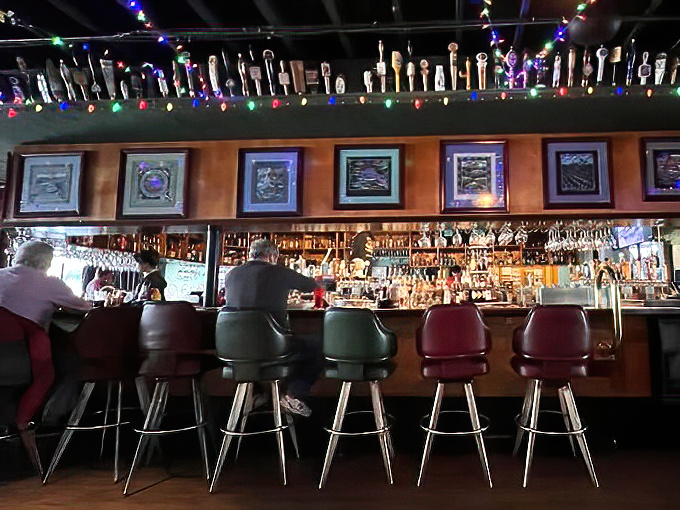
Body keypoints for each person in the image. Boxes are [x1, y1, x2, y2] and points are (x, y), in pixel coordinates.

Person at [0, 241, 90, 431]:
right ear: (46, 262)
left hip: (10, 354)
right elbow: (84, 308)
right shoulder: (49, 283)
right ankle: (41, 423)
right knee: (70, 365)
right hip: (20, 356)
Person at [223, 238, 319, 417]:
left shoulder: (231, 274)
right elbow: (310, 285)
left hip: (234, 349)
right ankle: (293, 395)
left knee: (252, 355)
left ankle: (256, 393)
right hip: (272, 347)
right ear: (273, 256)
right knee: (318, 345)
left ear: (250, 255)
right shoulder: (278, 271)